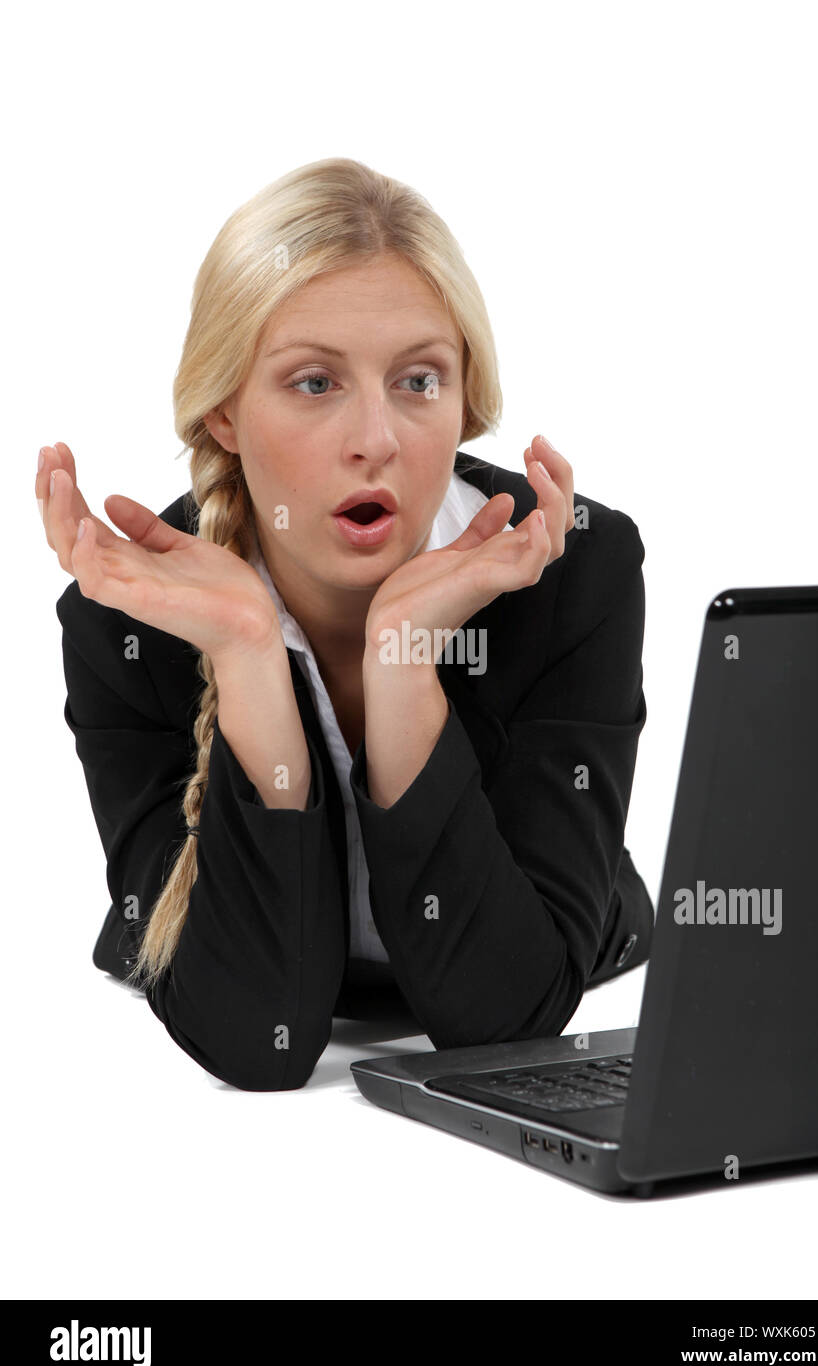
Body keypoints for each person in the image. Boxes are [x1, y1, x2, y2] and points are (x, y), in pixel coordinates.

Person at [40, 156, 654, 1092]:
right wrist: (247, 654)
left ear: (463, 400)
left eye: (418, 380)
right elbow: (260, 1040)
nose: (378, 437)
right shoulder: (130, 620)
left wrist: (403, 667)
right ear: (224, 415)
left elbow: (507, 1024)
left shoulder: (575, 570)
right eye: (315, 383)